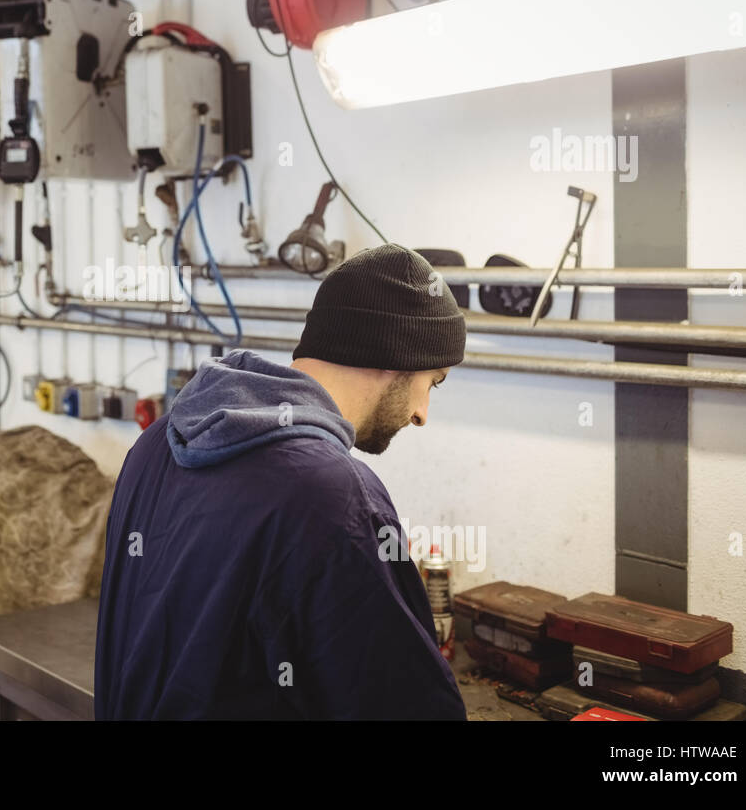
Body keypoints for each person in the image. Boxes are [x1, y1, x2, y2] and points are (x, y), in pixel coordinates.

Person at [95, 243, 468, 719]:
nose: (421, 414)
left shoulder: (155, 445)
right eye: (431, 383)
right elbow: (404, 703)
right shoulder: (334, 493)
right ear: (395, 353)